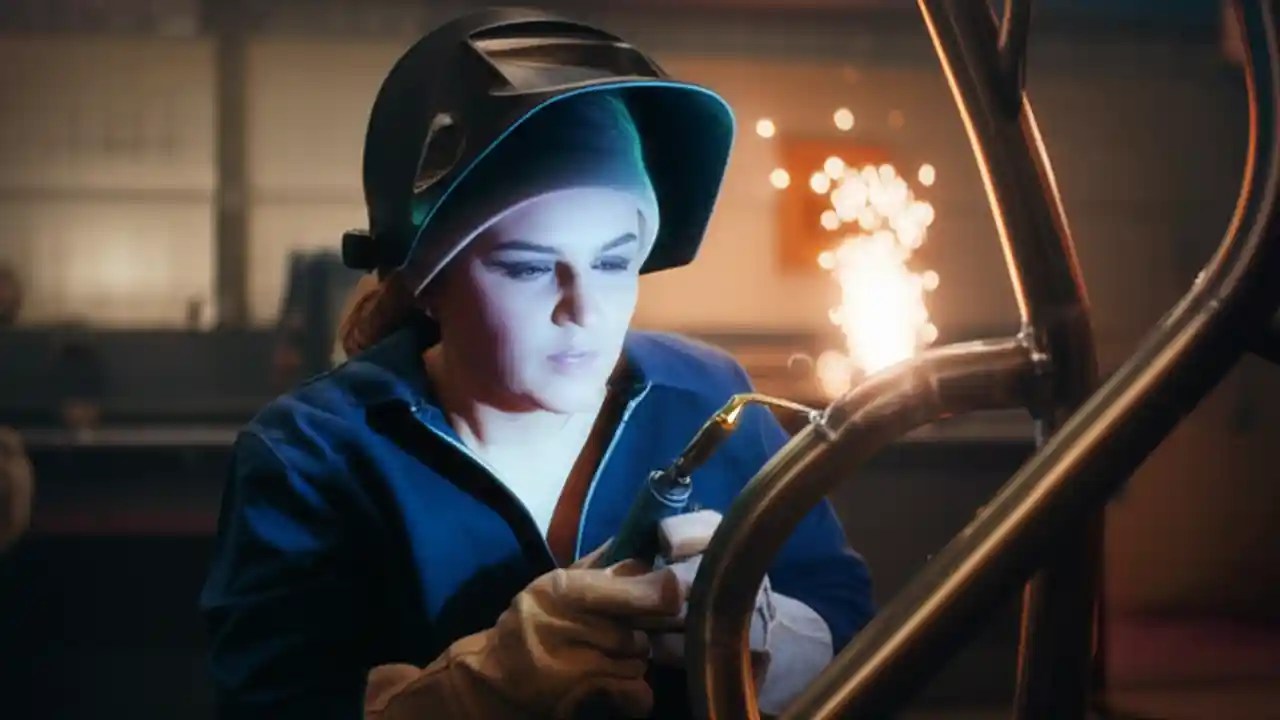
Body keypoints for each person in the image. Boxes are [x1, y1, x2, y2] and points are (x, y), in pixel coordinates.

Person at [200, 9, 873, 719]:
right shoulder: (315, 456)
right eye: (526, 270)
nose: (583, 308)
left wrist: (757, 629)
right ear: (431, 282)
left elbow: (851, 623)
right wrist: (476, 687)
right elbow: (269, 705)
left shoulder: (707, 397)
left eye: (614, 261)